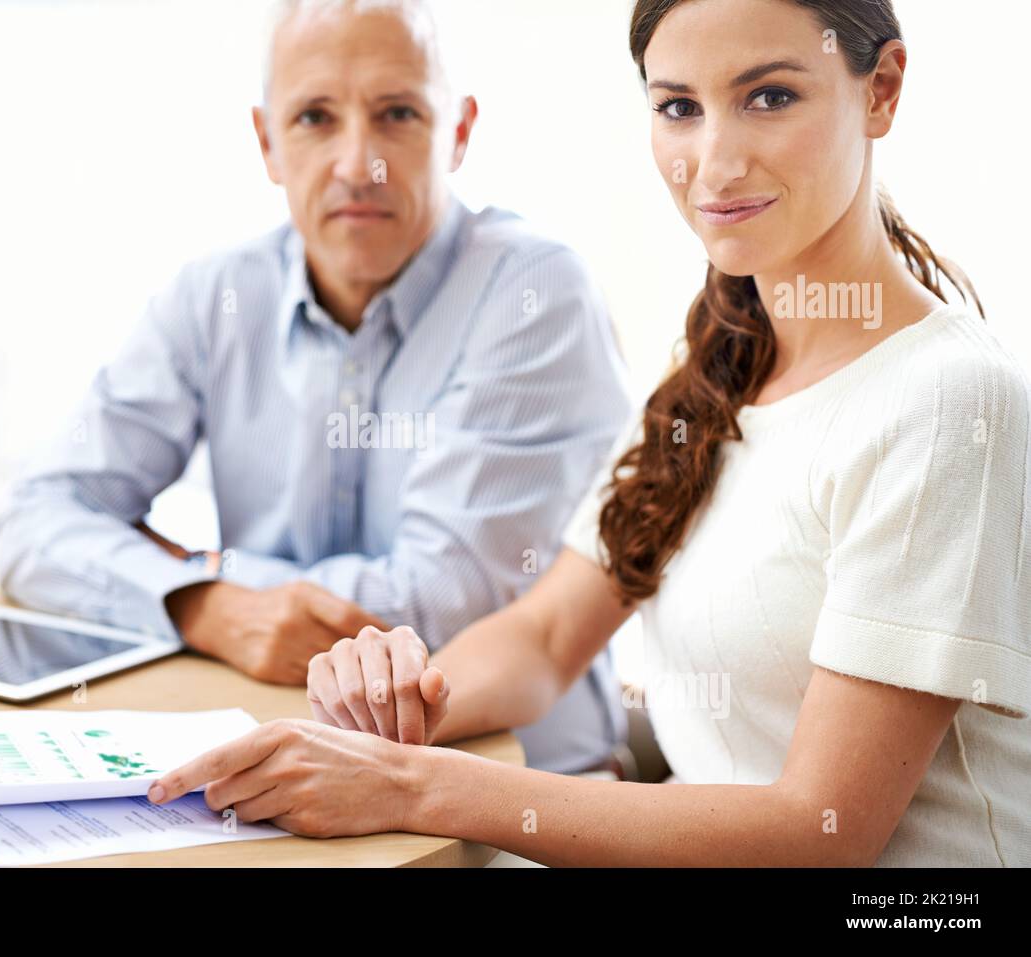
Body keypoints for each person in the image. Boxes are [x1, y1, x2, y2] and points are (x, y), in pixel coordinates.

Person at [146, 0, 1031, 867]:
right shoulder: (721, 364)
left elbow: (817, 831)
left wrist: (411, 781)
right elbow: (544, 639)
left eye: (769, 96)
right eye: (679, 107)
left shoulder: (947, 401)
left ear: (881, 90)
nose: (714, 162)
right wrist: (395, 706)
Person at [0, 0, 633, 775]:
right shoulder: (215, 295)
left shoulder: (534, 290)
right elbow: (31, 518)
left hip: (514, 804)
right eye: (315, 118)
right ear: (267, 141)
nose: (358, 162)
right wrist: (204, 604)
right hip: (296, 770)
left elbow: (434, 605)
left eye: (397, 113)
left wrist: (199, 566)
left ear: (458, 132)